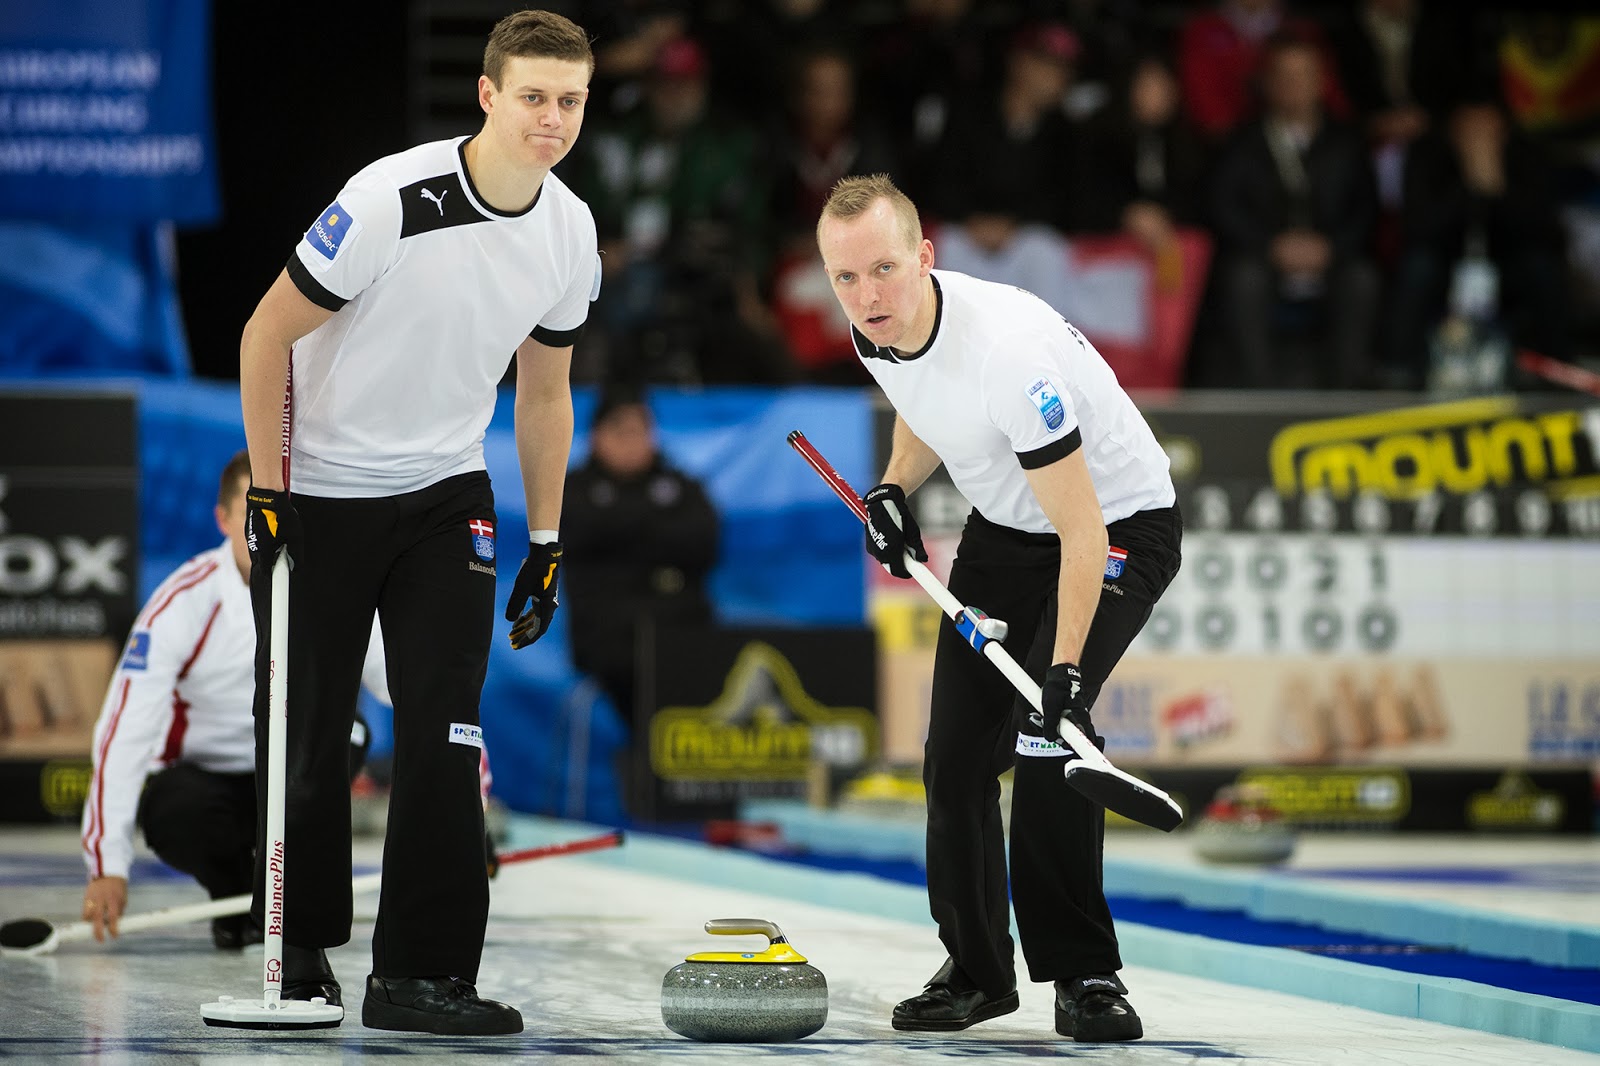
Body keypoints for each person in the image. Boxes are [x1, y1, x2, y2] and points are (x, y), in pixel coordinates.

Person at [236, 9, 598, 1034]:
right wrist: (269, 491)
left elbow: (544, 393)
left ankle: (420, 976)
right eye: (532, 96)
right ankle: (297, 949)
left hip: (446, 496)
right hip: (321, 490)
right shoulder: (390, 198)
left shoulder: (570, 229)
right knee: (307, 736)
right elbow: (266, 331)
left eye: (569, 100)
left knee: (446, 732)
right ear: (486, 95)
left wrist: (547, 540)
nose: (551, 119)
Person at [815, 174, 1181, 1042]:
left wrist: (1062, 675)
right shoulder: (875, 328)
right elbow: (922, 408)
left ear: (926, 259)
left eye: (884, 271)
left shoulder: (1010, 357)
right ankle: (978, 969)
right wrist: (893, 492)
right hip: (1007, 532)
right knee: (955, 758)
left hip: (1116, 526)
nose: (867, 297)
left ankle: (1086, 975)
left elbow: (1084, 532)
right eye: (846, 279)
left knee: (1049, 738)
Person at [79, 451, 386, 951]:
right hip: (215, 783)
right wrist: (106, 865)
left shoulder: (334, 590)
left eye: (281, 510)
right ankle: (238, 894)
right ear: (223, 520)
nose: (266, 529)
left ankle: (298, 920)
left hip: (301, 769)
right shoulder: (182, 603)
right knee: (171, 811)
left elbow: (420, 695)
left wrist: (465, 812)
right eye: (252, 512)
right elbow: (125, 728)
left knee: (345, 736)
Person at [1207, 31, 1380, 389]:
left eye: (1302, 75)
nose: (1293, 85)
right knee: (1242, 280)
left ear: (1321, 82)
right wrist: (1270, 246)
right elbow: (1225, 207)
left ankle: (1346, 393)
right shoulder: (1244, 140)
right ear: (1267, 83)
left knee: (1362, 281)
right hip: (1265, 257)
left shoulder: (1346, 140)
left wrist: (1331, 248)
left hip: (1332, 257)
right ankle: (1260, 395)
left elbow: (1365, 210)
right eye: (1283, 76)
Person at [562, 384, 719, 733]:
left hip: (683, 632)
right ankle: (645, 775)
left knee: (714, 665)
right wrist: (657, 532)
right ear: (597, 436)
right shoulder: (573, 489)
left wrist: (620, 532)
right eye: (622, 430)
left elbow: (704, 543)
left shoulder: (681, 484)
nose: (633, 441)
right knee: (641, 678)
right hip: (608, 641)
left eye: (641, 430)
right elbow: (581, 532)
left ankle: (668, 778)